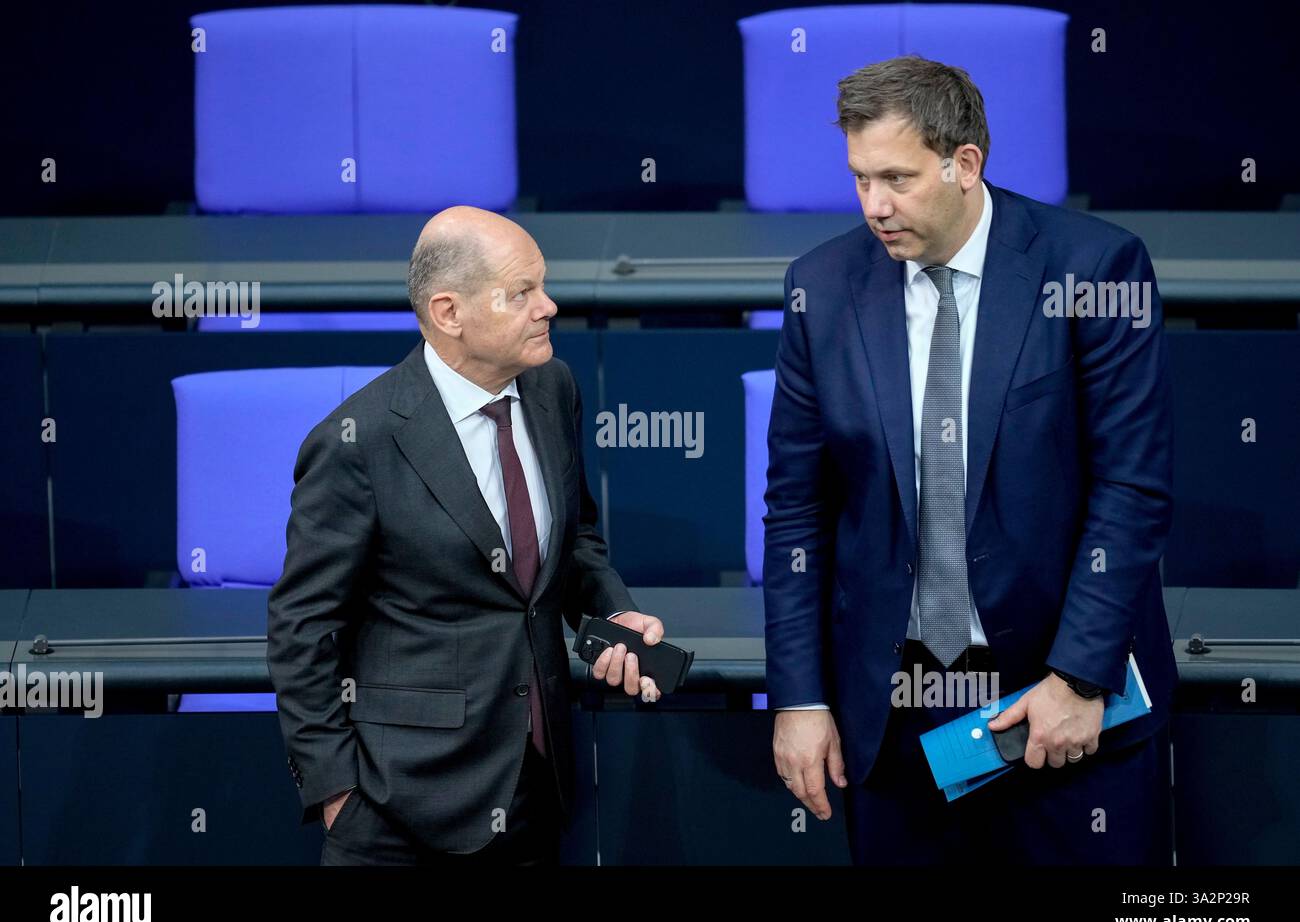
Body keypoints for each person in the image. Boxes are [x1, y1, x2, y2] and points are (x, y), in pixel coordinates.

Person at [763, 55, 1177, 865]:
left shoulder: (1092, 268)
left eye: (897, 178)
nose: (874, 207)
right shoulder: (821, 286)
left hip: (1061, 705)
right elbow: (797, 509)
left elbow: (1131, 489)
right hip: (893, 716)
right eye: (859, 179)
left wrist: (1080, 676)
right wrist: (800, 698)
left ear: (965, 164)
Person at [267, 206, 663, 865]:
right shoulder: (358, 443)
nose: (550, 307)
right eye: (523, 292)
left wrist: (611, 610)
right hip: (401, 811)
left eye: (544, 284)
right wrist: (337, 791)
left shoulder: (551, 389)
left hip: (536, 785)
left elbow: (575, 541)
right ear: (449, 313)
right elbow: (300, 627)